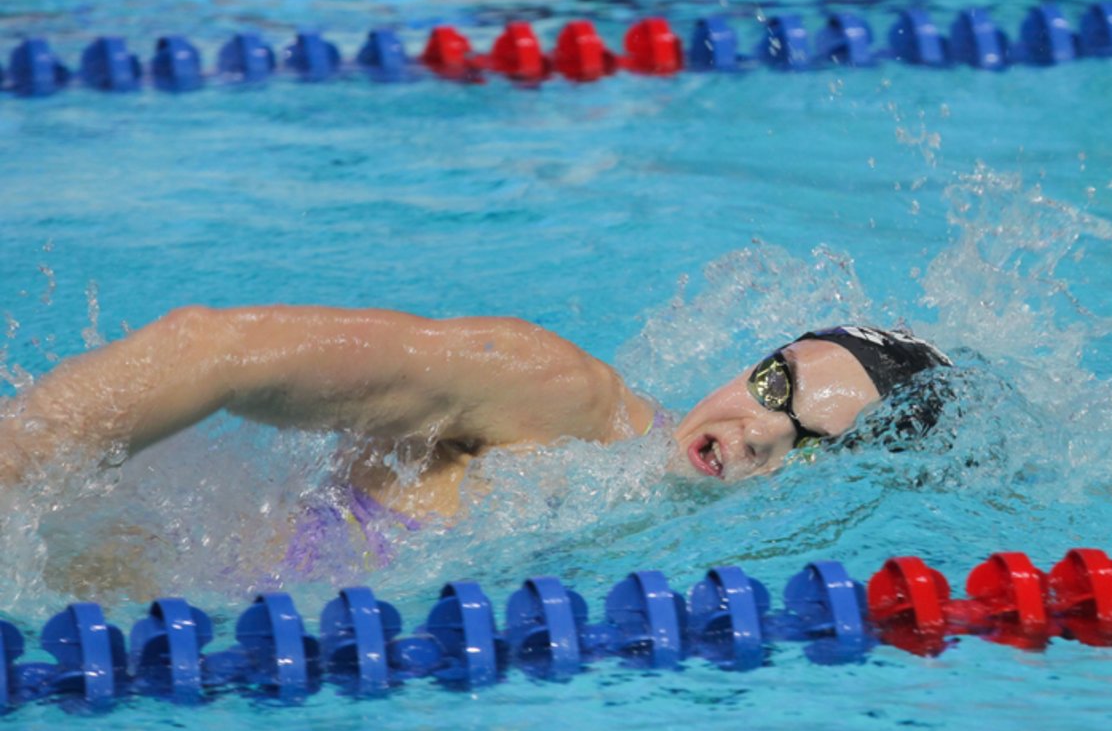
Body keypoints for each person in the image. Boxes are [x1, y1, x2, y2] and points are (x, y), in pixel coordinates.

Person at [0, 306, 952, 525]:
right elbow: (207, 349)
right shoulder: (553, 393)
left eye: (810, 446)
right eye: (776, 390)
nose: (757, 431)